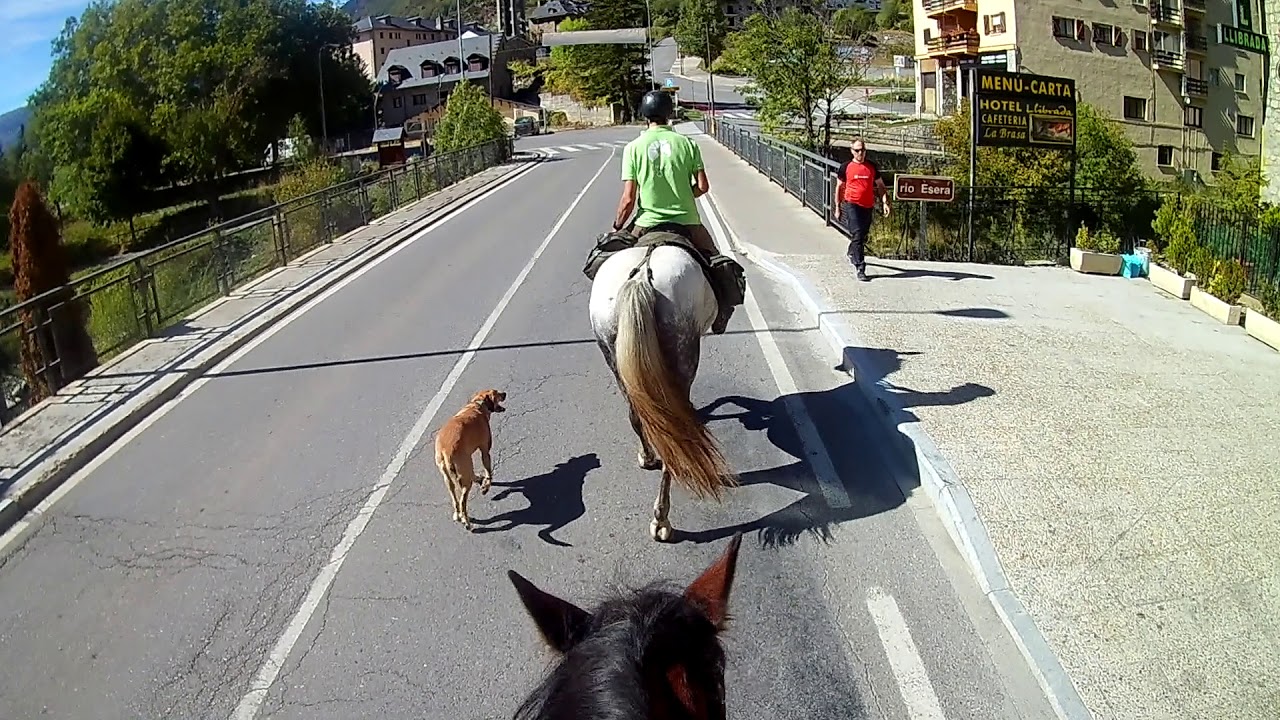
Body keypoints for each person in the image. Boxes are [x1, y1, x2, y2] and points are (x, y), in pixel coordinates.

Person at [610, 89, 742, 334]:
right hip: (687, 222)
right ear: (669, 114)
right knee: (719, 265)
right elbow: (703, 186)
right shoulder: (687, 144)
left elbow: (628, 199)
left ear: (644, 116)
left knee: (610, 262)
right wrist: (682, 195)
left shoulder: (633, 148)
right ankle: (723, 312)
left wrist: (617, 225)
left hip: (646, 222)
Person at [834, 139, 891, 282]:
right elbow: (839, 187)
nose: (861, 153)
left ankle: (851, 250)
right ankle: (860, 267)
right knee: (858, 233)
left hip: (868, 205)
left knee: (863, 236)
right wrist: (837, 207)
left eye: (863, 150)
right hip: (852, 204)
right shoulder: (845, 167)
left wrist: (885, 202)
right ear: (852, 151)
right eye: (857, 150)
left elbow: (881, 186)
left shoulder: (871, 167)